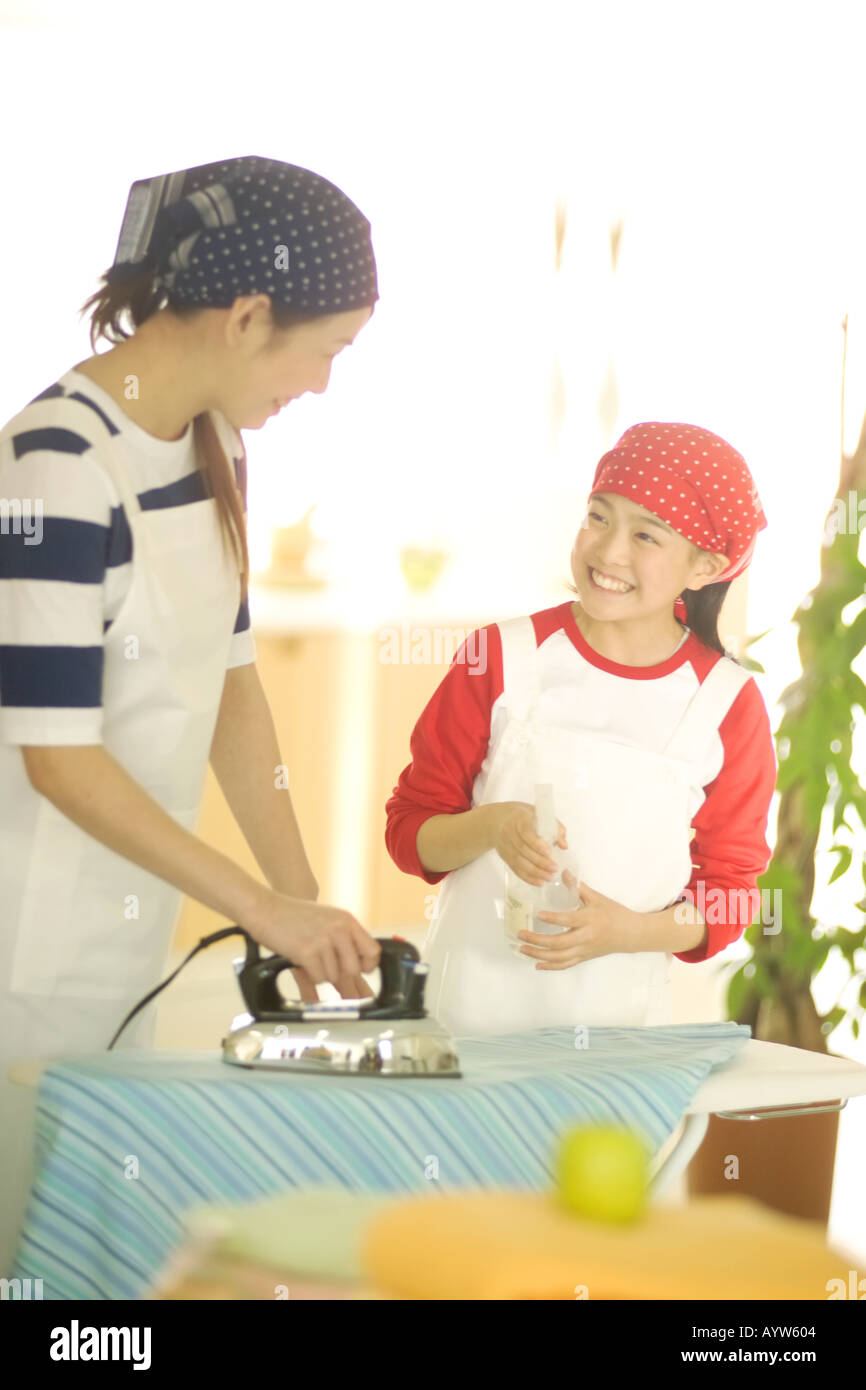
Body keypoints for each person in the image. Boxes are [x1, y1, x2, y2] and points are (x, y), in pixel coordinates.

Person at [0, 155, 382, 1275]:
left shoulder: (218, 446)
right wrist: (260, 907)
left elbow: (231, 684)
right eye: (327, 350)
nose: (320, 382)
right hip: (19, 935)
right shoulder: (54, 467)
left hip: (118, 932)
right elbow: (59, 763)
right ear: (248, 314)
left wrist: (303, 900)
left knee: (81, 1251)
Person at [385, 422, 777, 1038]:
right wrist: (491, 826)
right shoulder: (499, 656)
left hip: (616, 1040)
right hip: (465, 1026)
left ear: (705, 566)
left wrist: (633, 932)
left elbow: (731, 897)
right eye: (599, 517)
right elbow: (410, 832)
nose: (608, 551)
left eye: (646, 535)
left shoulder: (726, 703)